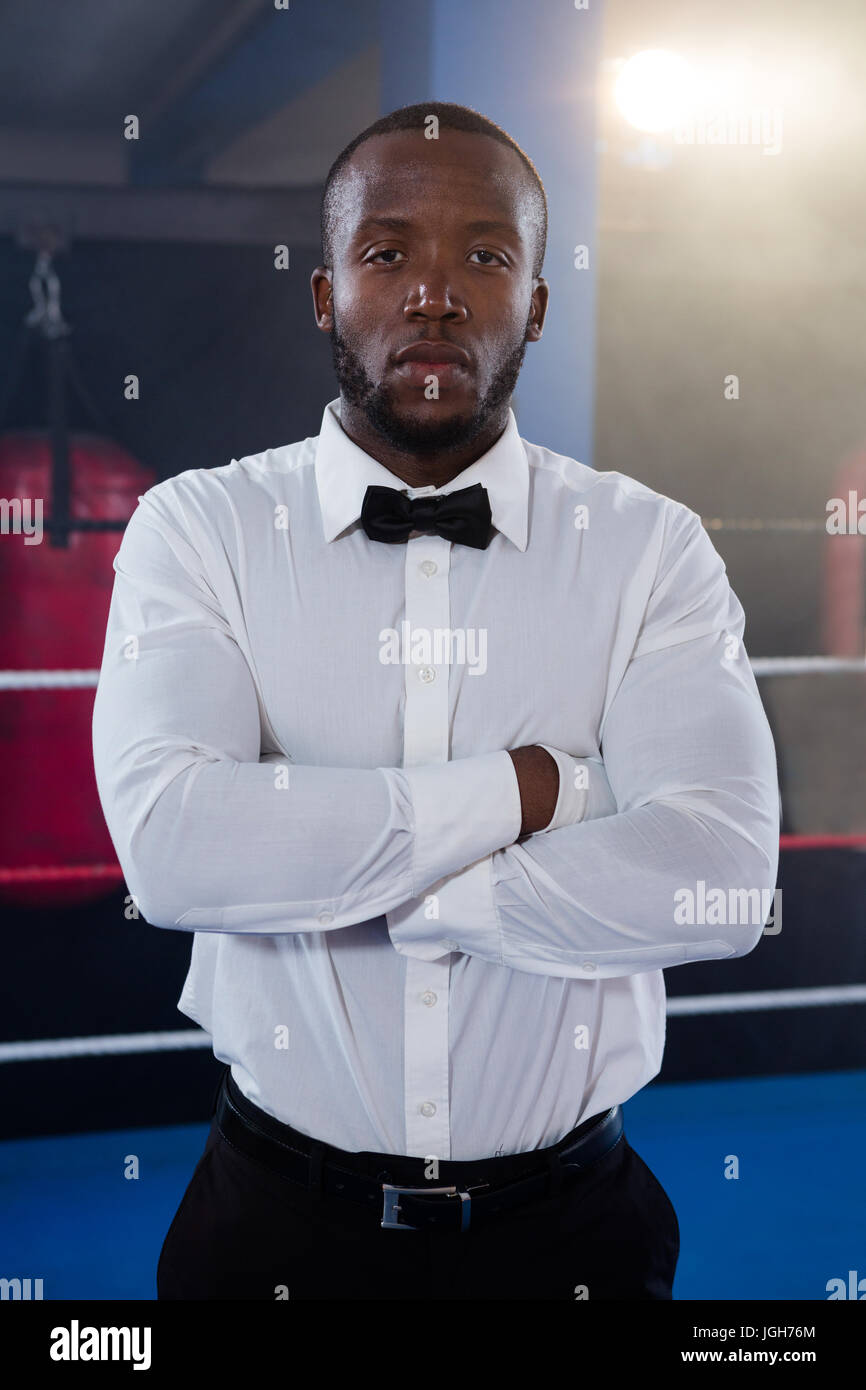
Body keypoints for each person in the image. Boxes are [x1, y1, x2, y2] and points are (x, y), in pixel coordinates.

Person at [92, 102, 780, 1301]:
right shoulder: (197, 529)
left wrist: (389, 886)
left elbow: (714, 876)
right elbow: (176, 854)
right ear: (324, 296)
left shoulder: (647, 547)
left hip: (574, 1236)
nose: (435, 294)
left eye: (485, 255)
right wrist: (539, 790)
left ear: (535, 306)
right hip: (272, 1234)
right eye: (386, 251)